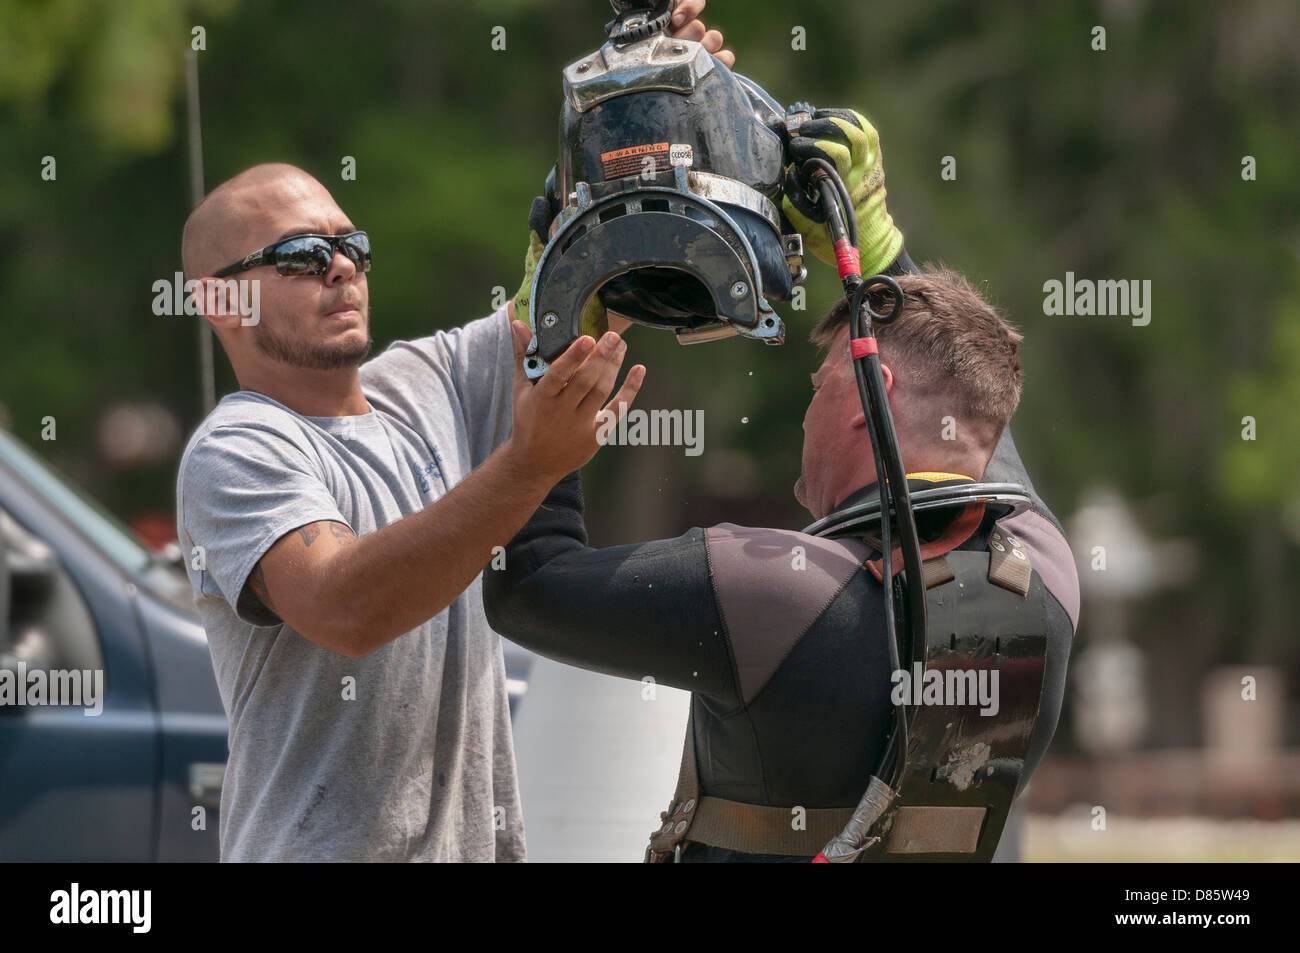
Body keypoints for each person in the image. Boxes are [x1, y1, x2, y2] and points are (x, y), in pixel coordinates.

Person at [171, 1, 732, 860]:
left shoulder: (427, 380)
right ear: (220, 300)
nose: (341, 265)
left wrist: (650, 97)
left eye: (350, 243)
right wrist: (524, 468)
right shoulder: (238, 449)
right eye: (297, 255)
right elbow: (347, 606)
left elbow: (576, 277)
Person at [483, 109, 1080, 862]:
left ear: (870, 395)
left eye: (821, 381)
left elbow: (525, 586)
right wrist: (871, 236)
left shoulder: (773, 593)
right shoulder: (1047, 579)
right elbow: (972, 409)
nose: (807, 408)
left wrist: (550, 338)